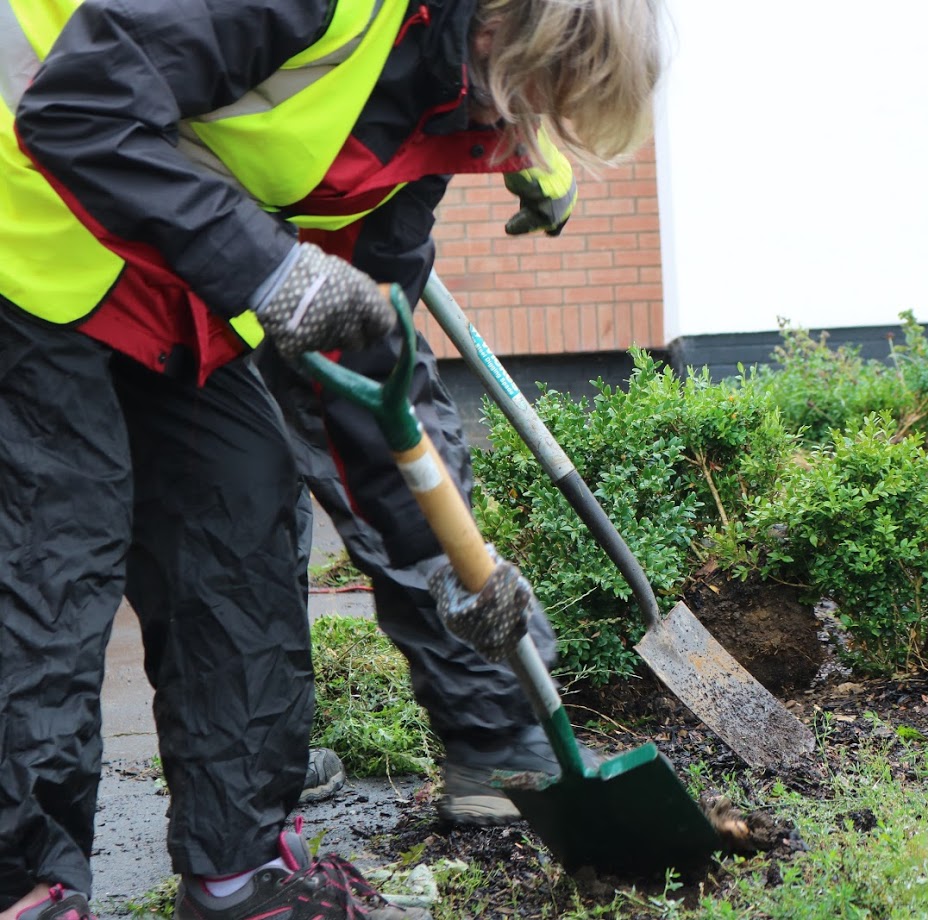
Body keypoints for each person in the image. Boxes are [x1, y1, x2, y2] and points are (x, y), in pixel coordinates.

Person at [0, 0, 662, 919]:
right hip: (24, 219)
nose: (520, 133)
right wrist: (274, 272)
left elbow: (366, 373)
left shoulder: (441, 105)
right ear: (497, 22)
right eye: (531, 95)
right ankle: (26, 887)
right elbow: (75, 107)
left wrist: (449, 575)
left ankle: (241, 877)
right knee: (53, 553)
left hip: (171, 267)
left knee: (242, 524)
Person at [270, 132, 587, 826]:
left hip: (240, 229)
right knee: (398, 477)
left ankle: (258, 764)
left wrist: (537, 157)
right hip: (310, 236)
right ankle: (496, 742)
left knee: (249, 489)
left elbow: (499, 59)